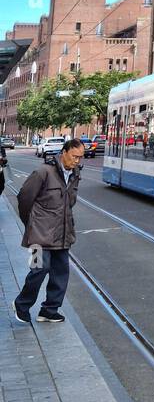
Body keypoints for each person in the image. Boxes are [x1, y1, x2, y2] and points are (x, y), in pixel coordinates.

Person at [12, 137, 85, 326]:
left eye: (80, 158)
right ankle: (21, 304)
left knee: (61, 272)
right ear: (64, 153)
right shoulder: (43, 172)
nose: (77, 161)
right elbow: (24, 198)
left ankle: (49, 310)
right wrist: (31, 223)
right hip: (38, 236)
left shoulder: (75, 173)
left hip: (62, 234)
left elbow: (69, 202)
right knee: (38, 270)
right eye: (74, 157)